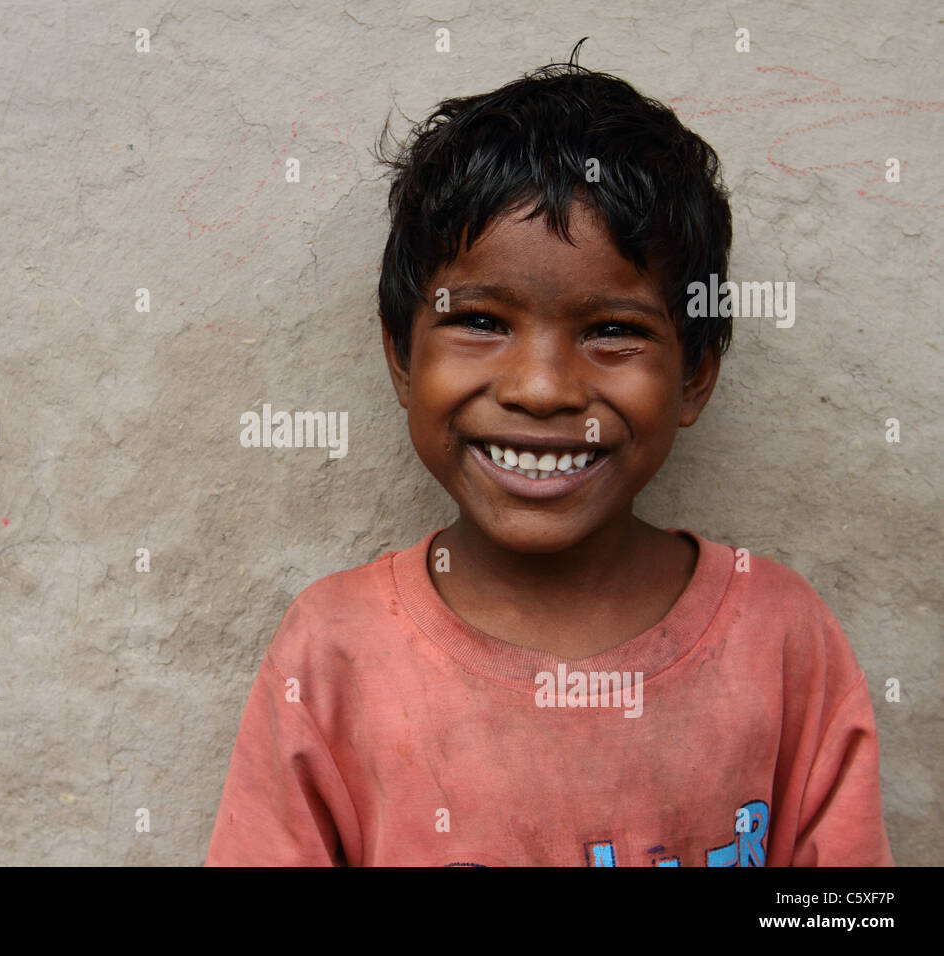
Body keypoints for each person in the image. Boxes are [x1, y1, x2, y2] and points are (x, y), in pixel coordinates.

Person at [205, 41, 894, 866]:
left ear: (695, 376)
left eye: (613, 331)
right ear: (400, 355)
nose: (541, 388)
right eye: (482, 321)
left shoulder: (782, 640)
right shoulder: (332, 653)